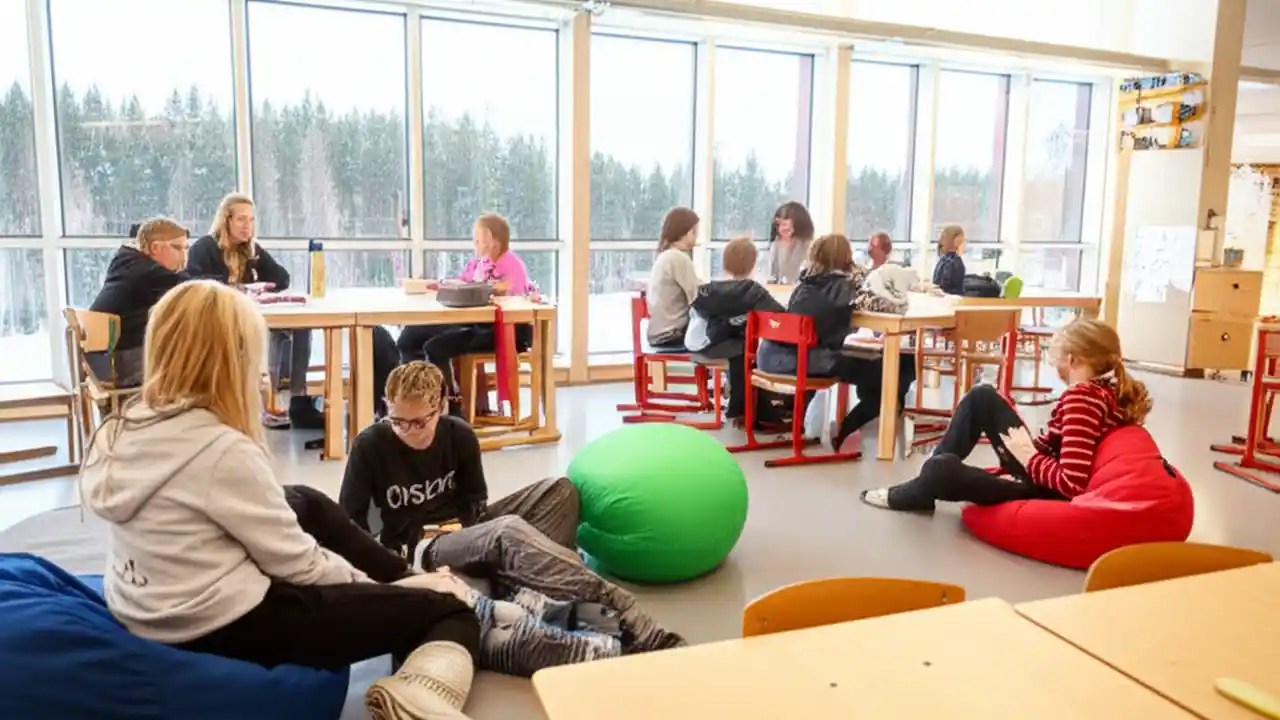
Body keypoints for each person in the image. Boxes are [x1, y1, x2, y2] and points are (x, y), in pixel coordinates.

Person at [80, 280, 480, 720]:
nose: (263, 370)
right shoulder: (221, 451)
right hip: (225, 624)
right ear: (230, 360)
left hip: (144, 607)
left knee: (303, 499)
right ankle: (417, 697)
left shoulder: (122, 427)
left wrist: (397, 581)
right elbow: (300, 566)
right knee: (450, 610)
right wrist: (386, 593)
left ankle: (404, 573)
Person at [340, 361, 684, 654]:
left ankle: (534, 585)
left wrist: (470, 530)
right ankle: (628, 621)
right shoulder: (370, 445)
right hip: (421, 547)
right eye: (397, 420)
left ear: (442, 406)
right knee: (507, 532)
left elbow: (475, 501)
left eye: (419, 422)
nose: (407, 431)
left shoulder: (458, 434)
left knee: (559, 491)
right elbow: (348, 523)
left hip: (467, 530)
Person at [861, 318, 1153, 512]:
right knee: (982, 396)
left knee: (942, 470)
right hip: (1042, 468)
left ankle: (921, 488)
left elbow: (1072, 484)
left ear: (1072, 360)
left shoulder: (1082, 399)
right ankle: (923, 486)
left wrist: (1029, 457)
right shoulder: (1106, 389)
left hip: (1046, 490)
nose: (1056, 369)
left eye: (1057, 361)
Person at [756, 234, 916, 451]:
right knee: (896, 370)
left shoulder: (805, 282)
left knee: (878, 368)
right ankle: (852, 426)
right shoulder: (844, 287)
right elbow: (885, 306)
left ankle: (858, 421)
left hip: (770, 356)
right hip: (803, 361)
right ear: (846, 258)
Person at [187, 192, 324, 430]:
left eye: (251, 220)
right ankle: (267, 403)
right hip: (218, 320)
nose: (247, 226)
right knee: (269, 335)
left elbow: (282, 278)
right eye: (241, 219)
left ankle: (298, 400)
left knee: (301, 327)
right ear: (226, 220)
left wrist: (259, 277)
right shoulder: (205, 247)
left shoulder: (250, 249)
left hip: (249, 315)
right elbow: (195, 282)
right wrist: (236, 287)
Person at [396, 213, 532, 414]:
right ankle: (413, 396)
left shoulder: (512, 265)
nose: (475, 245)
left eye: (478, 240)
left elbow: (508, 291)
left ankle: (450, 405)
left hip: (500, 329)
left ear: (493, 243)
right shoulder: (479, 263)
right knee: (410, 336)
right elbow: (464, 282)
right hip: (470, 320)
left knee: (436, 347)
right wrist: (442, 285)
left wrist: (488, 288)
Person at [685, 237, 785, 427]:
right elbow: (779, 316)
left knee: (743, 350)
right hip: (733, 349)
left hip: (704, 346)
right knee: (752, 352)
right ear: (753, 263)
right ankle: (749, 409)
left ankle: (745, 407)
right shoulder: (753, 290)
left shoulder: (708, 290)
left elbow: (697, 313)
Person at [87, 217, 191, 387]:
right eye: (178, 248)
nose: (185, 256)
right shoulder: (147, 273)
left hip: (102, 361)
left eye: (187, 249)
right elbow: (193, 287)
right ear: (155, 248)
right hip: (120, 363)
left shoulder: (127, 264)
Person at [644, 206, 703, 347]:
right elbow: (697, 296)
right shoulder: (678, 258)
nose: (697, 236)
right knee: (727, 336)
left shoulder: (664, 256)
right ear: (685, 232)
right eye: (695, 231)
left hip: (657, 333)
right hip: (672, 334)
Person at [767, 201, 815, 284]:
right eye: (778, 225)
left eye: (785, 224)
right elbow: (772, 276)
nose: (781, 228)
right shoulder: (775, 245)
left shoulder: (811, 247)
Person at [932, 224, 967, 295]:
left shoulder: (942, 260)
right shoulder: (956, 262)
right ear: (958, 241)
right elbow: (952, 288)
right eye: (963, 240)